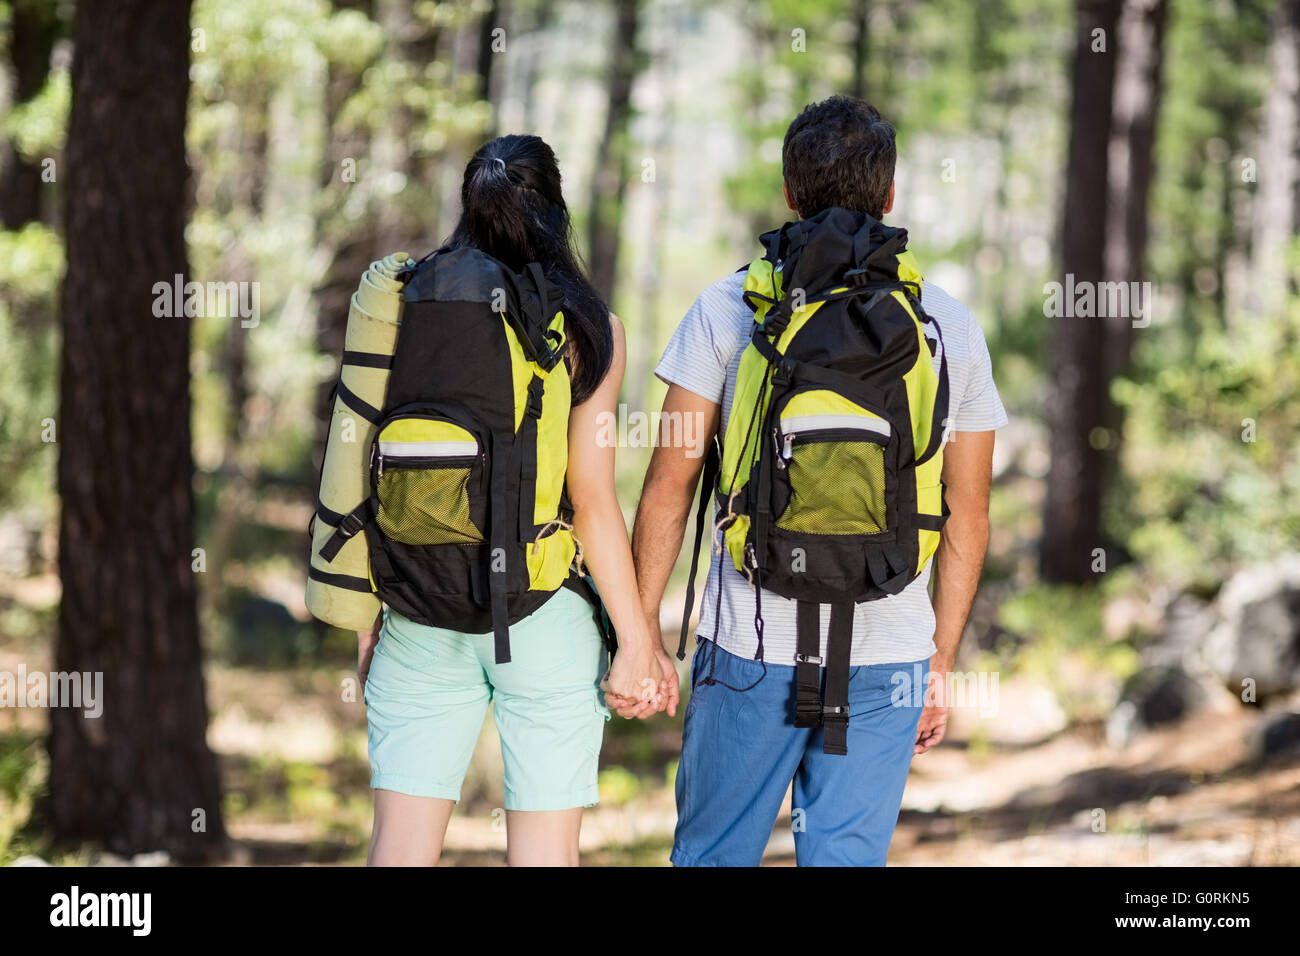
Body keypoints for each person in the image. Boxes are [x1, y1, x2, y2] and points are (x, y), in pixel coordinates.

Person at [619, 96, 1008, 866]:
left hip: (746, 644)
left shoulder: (729, 309)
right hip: (889, 647)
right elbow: (969, 514)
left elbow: (668, 482)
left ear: (790, 194)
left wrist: (645, 641)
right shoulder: (948, 326)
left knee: (711, 856)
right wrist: (942, 660)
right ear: (890, 195)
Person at [359, 135, 671, 867]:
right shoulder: (588, 324)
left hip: (417, 605)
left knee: (396, 855)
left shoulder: (407, 300)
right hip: (542, 610)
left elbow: (364, 469)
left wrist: (363, 618)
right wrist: (635, 643)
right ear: (555, 212)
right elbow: (591, 499)